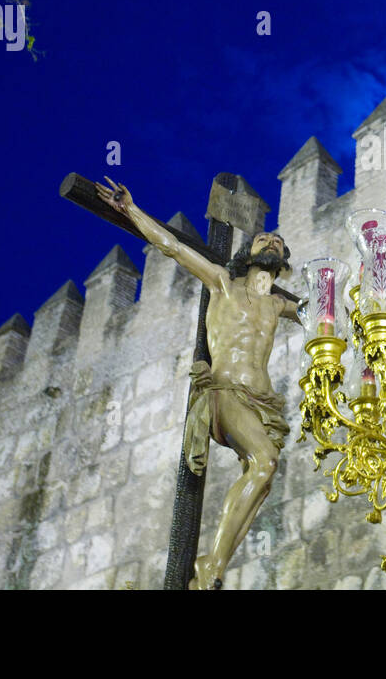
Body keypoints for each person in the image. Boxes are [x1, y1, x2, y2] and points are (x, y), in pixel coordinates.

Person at [95, 177, 301, 590]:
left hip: (263, 404)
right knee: (264, 462)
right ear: (249, 253)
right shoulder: (223, 282)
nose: (271, 241)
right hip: (225, 394)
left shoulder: (280, 304)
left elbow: (333, 315)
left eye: (277, 240)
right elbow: (172, 247)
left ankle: (214, 567)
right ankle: (210, 567)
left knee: (263, 480)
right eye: (264, 238)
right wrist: (130, 210)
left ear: (282, 261)